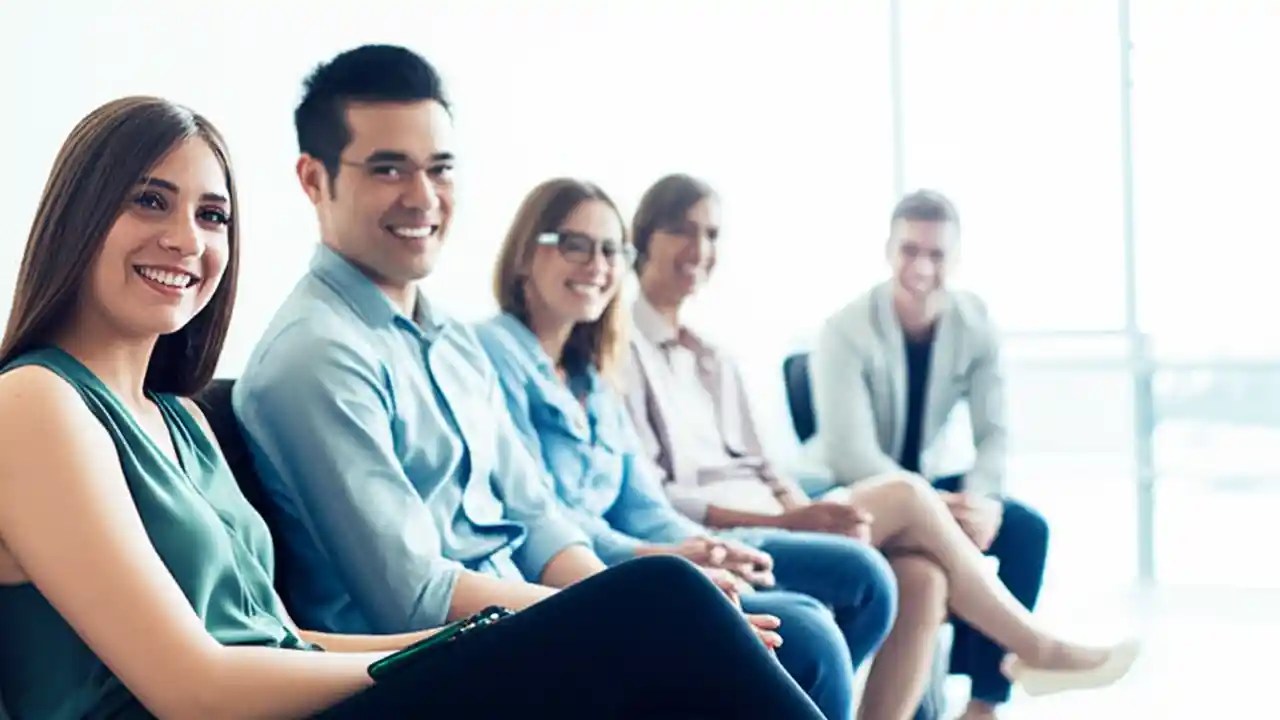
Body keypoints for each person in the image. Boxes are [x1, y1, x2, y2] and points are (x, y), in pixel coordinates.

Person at [0, 95, 825, 720]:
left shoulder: (179, 419)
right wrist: (490, 642)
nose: (187, 238)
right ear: (80, 214)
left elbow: (288, 640)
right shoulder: (35, 402)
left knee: (662, 616)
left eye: (211, 214)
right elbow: (192, 685)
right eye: (150, 201)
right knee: (661, 602)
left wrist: (499, 637)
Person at [626, 175, 1140, 718]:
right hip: (729, 530)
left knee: (924, 576)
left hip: (784, 510)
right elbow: (659, 494)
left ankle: (990, 696)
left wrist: (797, 509)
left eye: (711, 234)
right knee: (908, 496)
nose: (700, 249)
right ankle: (1035, 648)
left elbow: (765, 466)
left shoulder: (714, 356)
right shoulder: (624, 352)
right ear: (642, 241)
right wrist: (795, 520)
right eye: (681, 230)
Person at [476, 177, 898, 720]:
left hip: (653, 554)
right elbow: (546, 516)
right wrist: (662, 558)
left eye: (609, 250)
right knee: (808, 633)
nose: (597, 265)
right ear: (524, 255)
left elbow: (642, 501)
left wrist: (702, 547)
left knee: (863, 580)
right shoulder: (494, 354)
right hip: (582, 574)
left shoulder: (592, 373)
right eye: (575, 245)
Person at [808, 190, 1058, 718]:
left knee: (1024, 530)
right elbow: (850, 452)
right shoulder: (844, 329)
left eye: (936, 254)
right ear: (888, 251)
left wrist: (981, 499)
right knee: (926, 553)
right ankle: (1036, 648)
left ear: (956, 259)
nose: (921, 267)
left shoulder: (975, 323)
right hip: (856, 488)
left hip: (935, 482)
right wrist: (928, 510)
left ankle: (984, 705)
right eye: (909, 250)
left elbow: (995, 433)